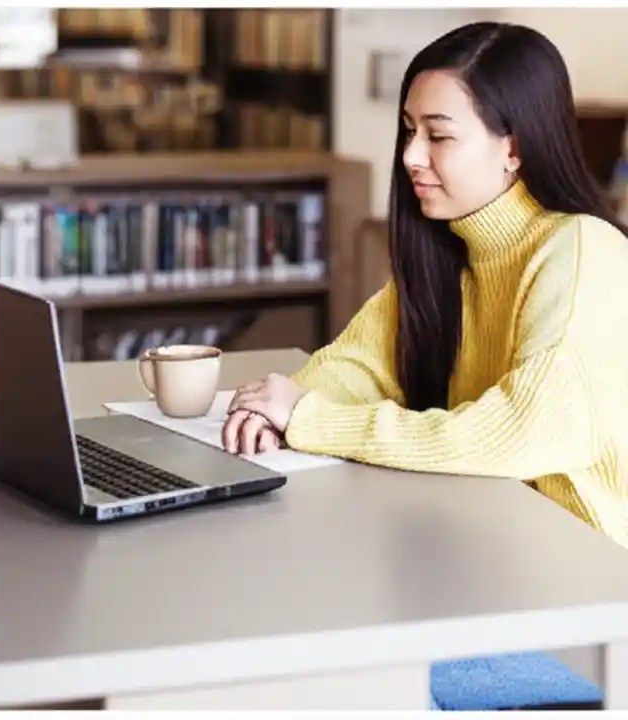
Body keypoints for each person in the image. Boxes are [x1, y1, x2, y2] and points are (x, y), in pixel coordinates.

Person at [220, 22, 628, 550]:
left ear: (514, 149)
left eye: (438, 135)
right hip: (491, 548)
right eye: (409, 130)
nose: (412, 155)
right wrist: (273, 409)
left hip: (591, 581)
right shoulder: (453, 250)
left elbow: (524, 431)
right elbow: (358, 366)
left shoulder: (580, 249)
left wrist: (308, 419)